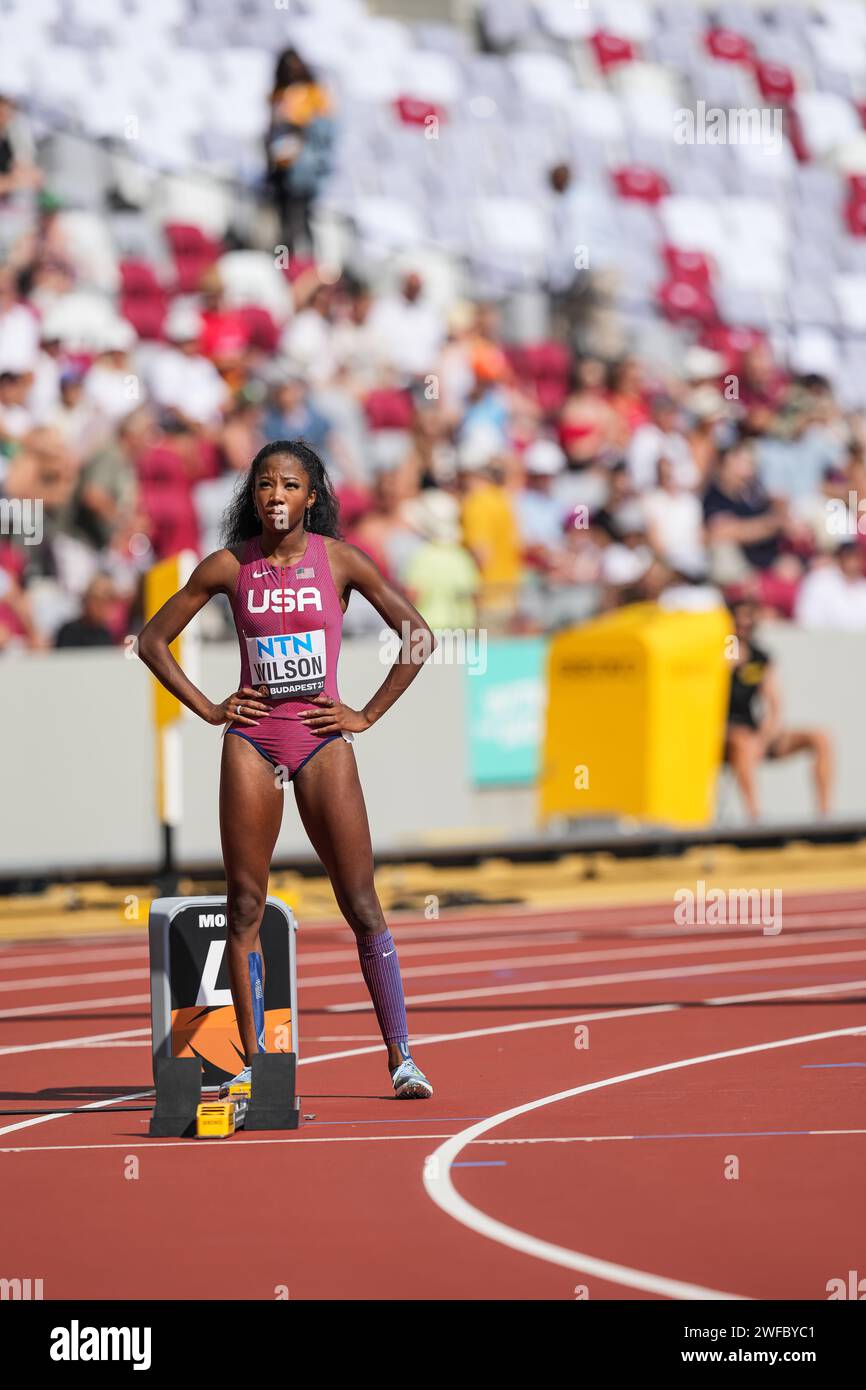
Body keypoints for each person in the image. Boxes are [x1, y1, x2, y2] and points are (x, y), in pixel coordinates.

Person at [137, 439, 435, 1099]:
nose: (277, 495)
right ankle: (252, 1062)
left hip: (321, 738)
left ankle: (402, 1057)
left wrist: (367, 713)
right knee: (244, 902)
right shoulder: (227, 566)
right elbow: (152, 641)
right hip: (252, 739)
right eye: (266, 484)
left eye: (290, 485)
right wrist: (211, 707)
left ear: (311, 496)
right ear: (253, 496)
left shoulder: (344, 561)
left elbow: (419, 635)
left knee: (360, 901)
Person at [724, 598, 832, 820]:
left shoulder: (760, 657)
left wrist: (765, 737)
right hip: (726, 734)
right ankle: (755, 817)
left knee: (820, 737)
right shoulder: (724, 651)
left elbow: (774, 704)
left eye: (748, 618)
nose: (743, 624)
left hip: (753, 730)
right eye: (738, 619)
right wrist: (729, 652)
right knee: (742, 741)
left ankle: (824, 817)